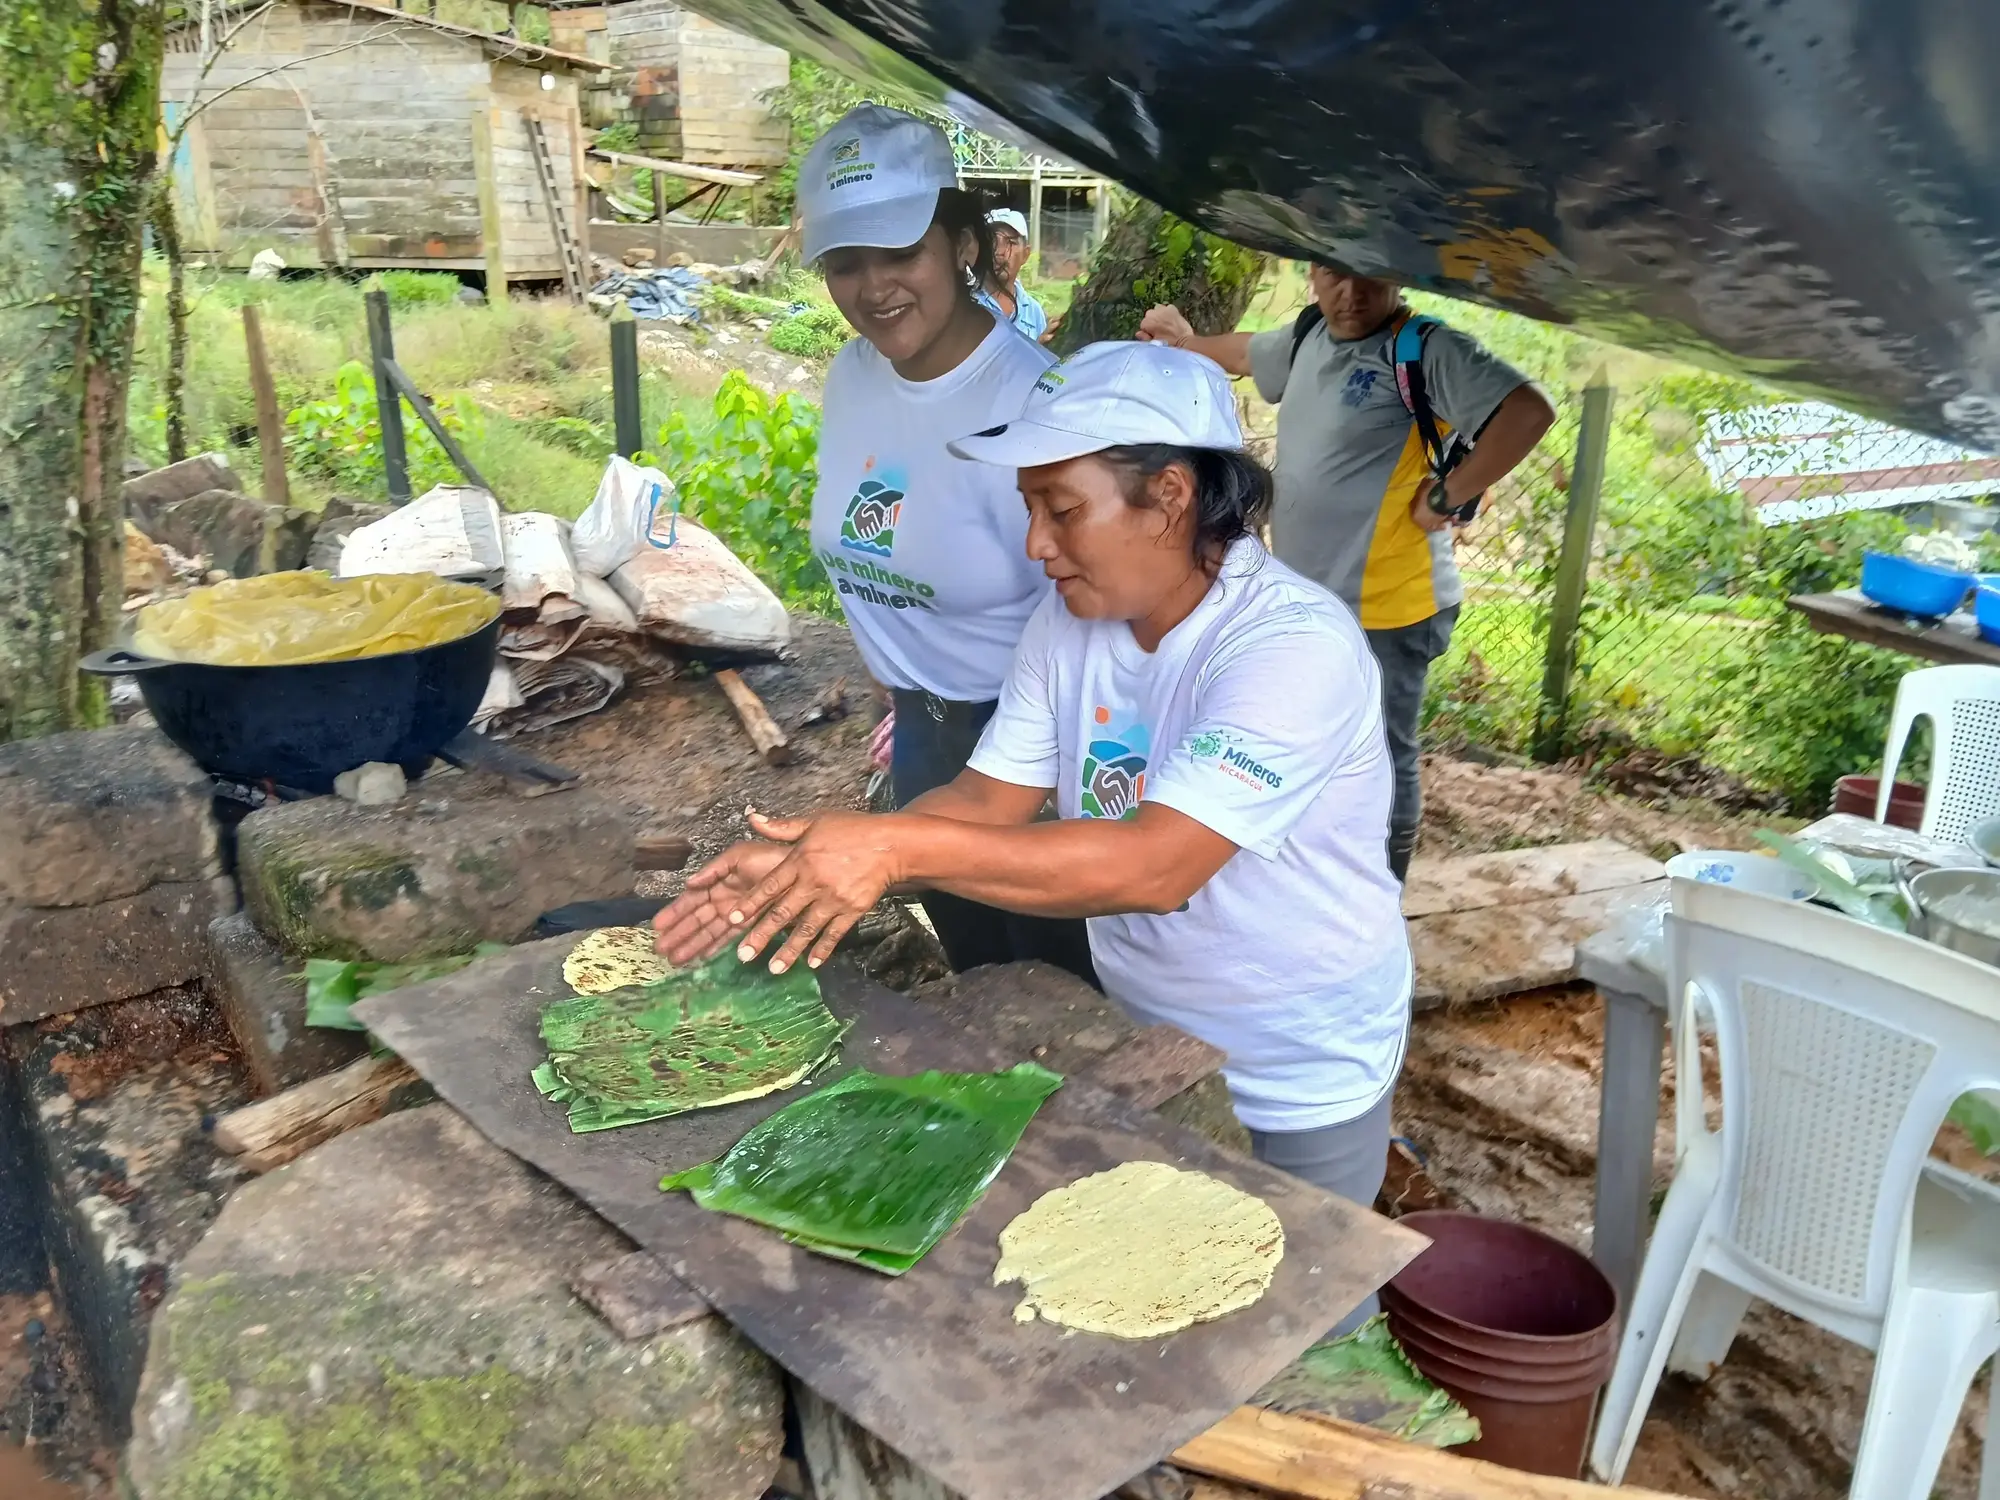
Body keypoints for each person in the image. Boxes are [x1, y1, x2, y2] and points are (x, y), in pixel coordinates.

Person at [657, 343, 1413, 1320]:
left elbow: (1156, 864)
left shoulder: (1288, 646)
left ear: (1171, 496)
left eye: (1061, 509)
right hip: (1146, 1032)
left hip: (1293, 1060)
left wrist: (888, 852)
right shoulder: (1070, 625)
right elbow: (980, 806)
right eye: (1029, 507)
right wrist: (815, 857)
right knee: (1154, 1295)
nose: (1035, 544)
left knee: (1294, 1325)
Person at [794, 103, 1095, 986]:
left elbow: (1103, 614)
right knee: (974, 966)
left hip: (1033, 749)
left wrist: (1048, 773)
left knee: (1054, 988)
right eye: (846, 262)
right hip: (923, 734)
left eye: (901, 252)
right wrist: (906, 701)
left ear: (961, 243)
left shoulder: (1039, 408)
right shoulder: (853, 376)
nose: (875, 286)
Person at [1138, 267, 1555, 880]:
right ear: (1312, 273)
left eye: (1372, 277)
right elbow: (1251, 353)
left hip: (1386, 604)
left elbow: (1528, 411)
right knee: (1312, 742)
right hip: (1313, 601)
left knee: (1385, 757)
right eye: (1335, 274)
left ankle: (1379, 888)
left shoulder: (1423, 348)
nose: (1352, 295)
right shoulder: (1311, 336)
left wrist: (1449, 495)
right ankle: (1319, 873)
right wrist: (1184, 344)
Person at [975, 208, 1050, 342]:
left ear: (1025, 254)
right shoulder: (968, 304)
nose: (1000, 252)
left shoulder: (1033, 312)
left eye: (1011, 243)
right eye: (992, 241)